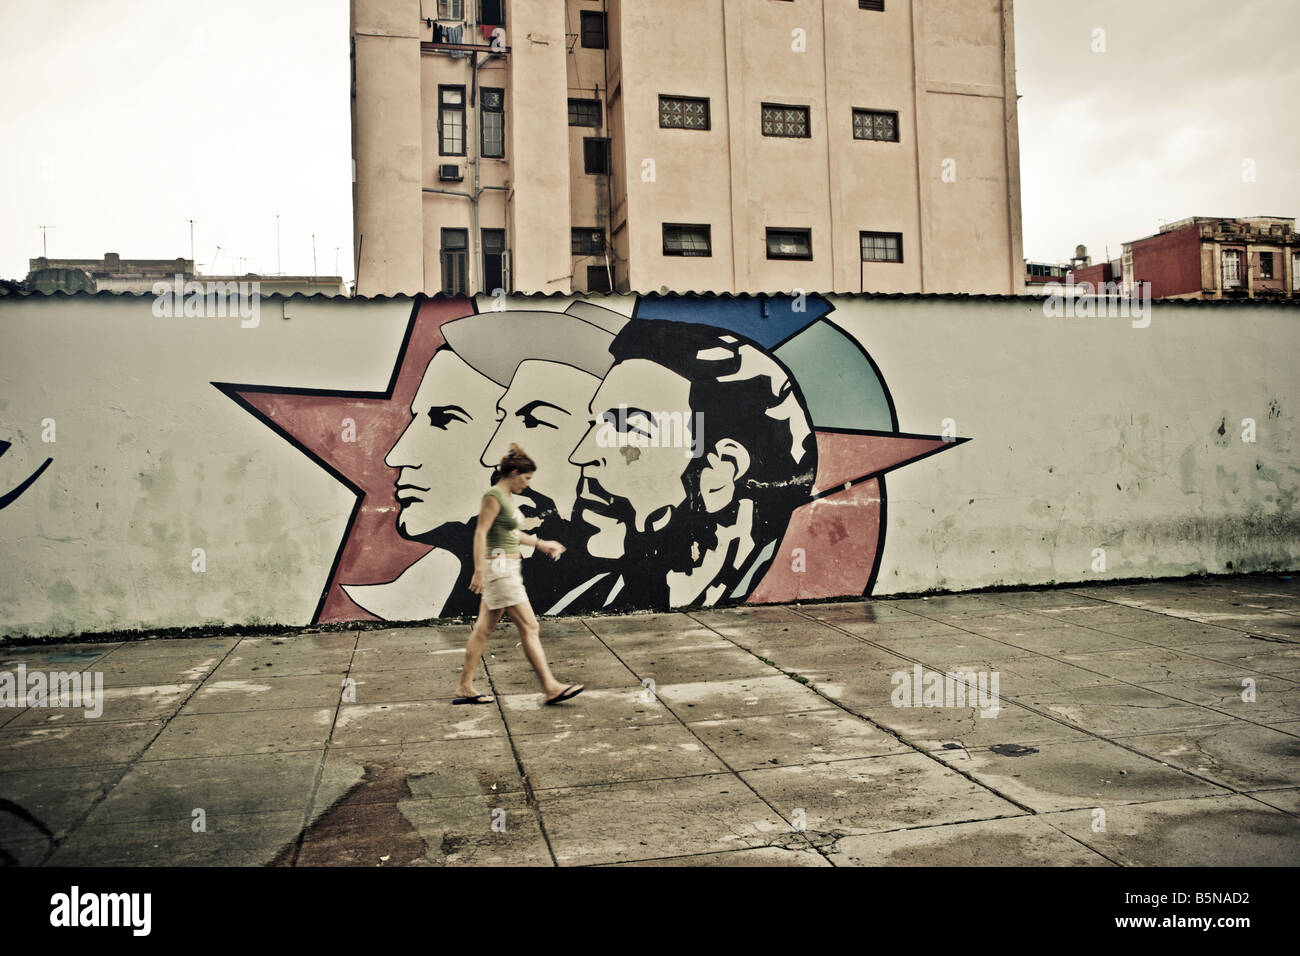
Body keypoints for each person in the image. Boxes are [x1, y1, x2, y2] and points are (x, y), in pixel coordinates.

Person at [561, 319, 817, 611]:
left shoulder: (771, 590)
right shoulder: (595, 595)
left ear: (723, 467)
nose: (580, 455)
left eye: (626, 427)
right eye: (597, 425)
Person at [452, 443, 585, 706]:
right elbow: (480, 533)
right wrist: (479, 571)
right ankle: (550, 687)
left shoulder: (507, 498)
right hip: (500, 569)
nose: (527, 484)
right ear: (512, 473)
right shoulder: (493, 497)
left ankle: (464, 686)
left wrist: (540, 543)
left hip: (505, 568)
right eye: (526, 478)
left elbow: (510, 534)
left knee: (483, 630)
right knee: (530, 626)